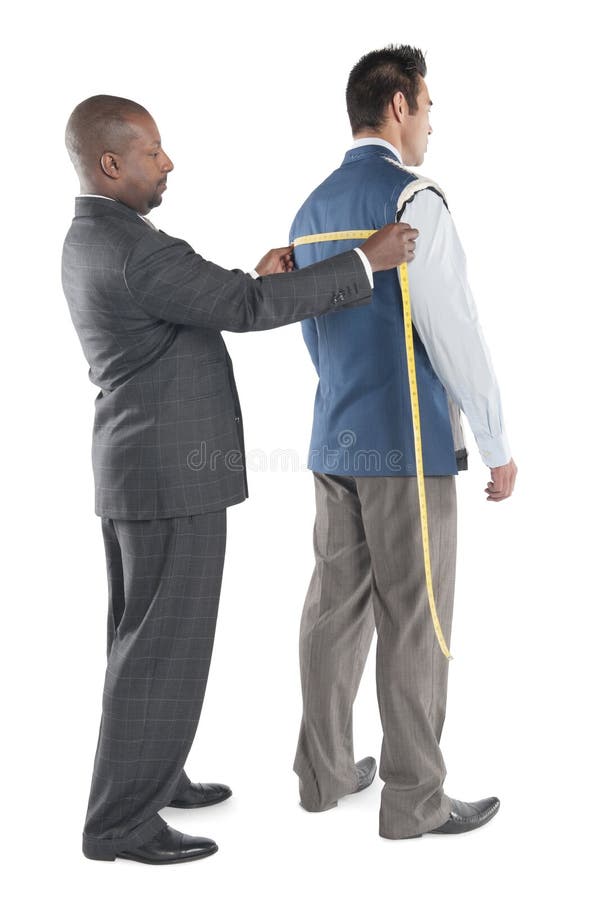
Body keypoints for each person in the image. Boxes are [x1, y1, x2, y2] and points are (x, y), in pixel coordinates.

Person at [61, 94, 417, 865]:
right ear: (111, 162)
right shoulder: (131, 246)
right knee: (163, 648)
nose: (168, 162)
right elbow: (245, 307)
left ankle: (151, 776)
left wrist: (245, 277)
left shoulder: (97, 236)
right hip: (168, 479)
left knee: (141, 642)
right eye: (153, 151)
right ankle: (120, 823)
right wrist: (362, 262)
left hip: (136, 471)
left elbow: (194, 301)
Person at [290, 45, 517, 841]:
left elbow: (311, 329)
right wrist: (494, 439)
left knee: (331, 611)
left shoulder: (309, 207)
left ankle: (320, 776)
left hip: (333, 439)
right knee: (415, 618)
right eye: (426, 107)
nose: (428, 123)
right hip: (406, 446)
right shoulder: (412, 198)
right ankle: (414, 799)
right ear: (396, 106)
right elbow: (452, 327)